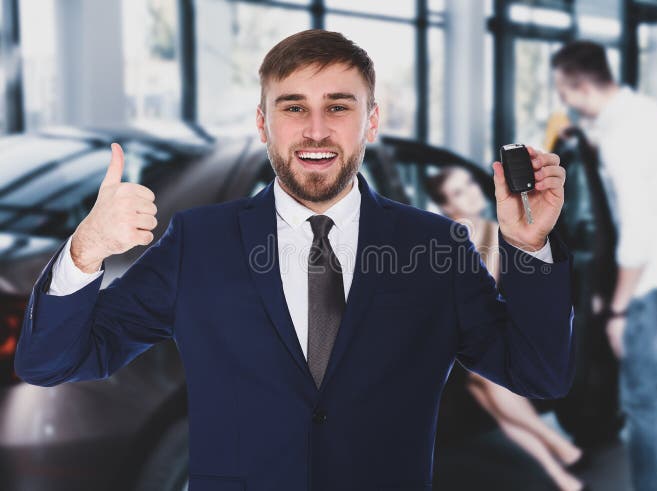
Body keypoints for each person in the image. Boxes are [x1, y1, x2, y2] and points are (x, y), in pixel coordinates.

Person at [14, 29, 575, 490]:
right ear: (263, 123)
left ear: (371, 121)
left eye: (338, 107)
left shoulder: (437, 247)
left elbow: (538, 373)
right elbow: (50, 362)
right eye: (294, 107)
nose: (316, 130)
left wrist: (528, 248)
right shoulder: (198, 243)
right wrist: (85, 250)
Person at [550, 40, 657, 491]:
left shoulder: (622, 138)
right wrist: (584, 136)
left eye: (563, 91)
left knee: (641, 404)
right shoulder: (648, 114)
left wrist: (618, 309)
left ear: (579, 86)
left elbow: (637, 235)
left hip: (652, 287)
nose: (563, 100)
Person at [427, 166, 587, 491]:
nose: (471, 192)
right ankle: (557, 451)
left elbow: (485, 295)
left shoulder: (494, 231)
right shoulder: (445, 239)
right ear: (446, 205)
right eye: (458, 192)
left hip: (479, 336)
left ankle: (559, 466)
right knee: (485, 386)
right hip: (455, 339)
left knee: (486, 388)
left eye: (469, 184)